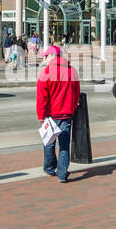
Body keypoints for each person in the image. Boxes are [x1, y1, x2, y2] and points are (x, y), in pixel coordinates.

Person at [36, 45, 80, 183]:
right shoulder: (72, 71)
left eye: (46, 56)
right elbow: (76, 94)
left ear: (52, 56)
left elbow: (41, 98)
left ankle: (49, 167)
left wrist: (40, 116)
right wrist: (72, 108)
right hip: (66, 114)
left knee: (49, 142)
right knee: (64, 145)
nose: (45, 59)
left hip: (51, 115)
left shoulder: (46, 72)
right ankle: (62, 173)